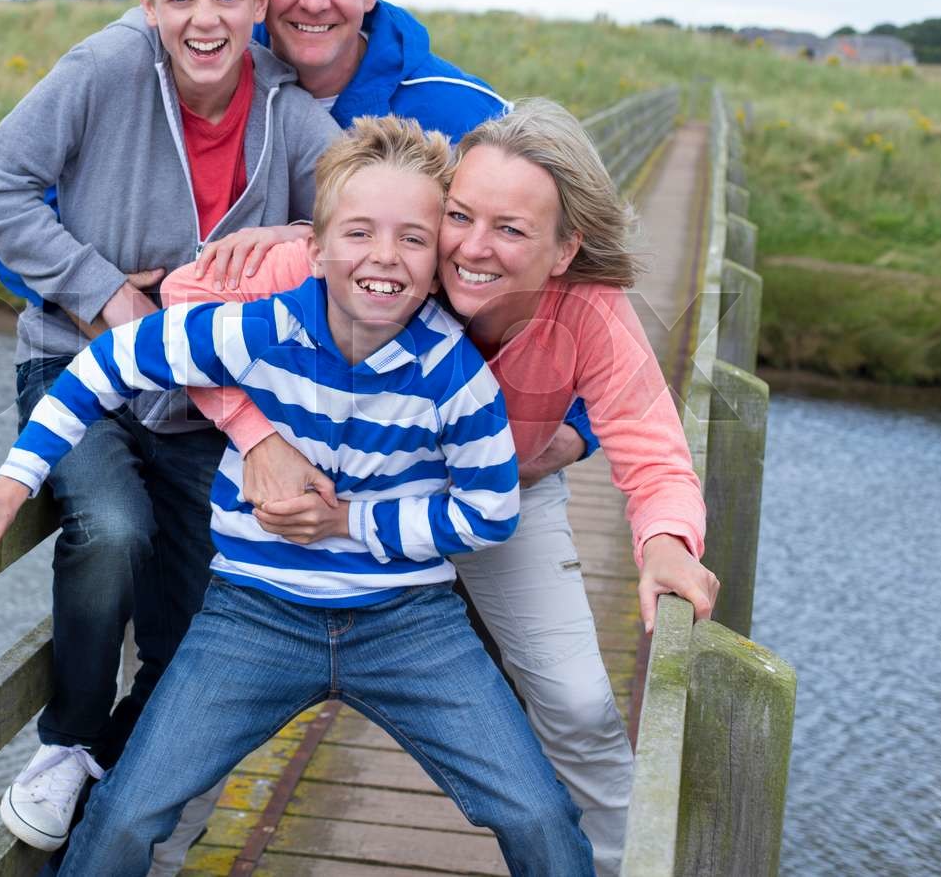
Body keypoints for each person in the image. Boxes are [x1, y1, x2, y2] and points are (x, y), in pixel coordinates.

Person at [0, 116, 593, 876]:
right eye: (357, 233)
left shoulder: (457, 377)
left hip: (410, 622)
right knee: (124, 814)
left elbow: (490, 510)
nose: (384, 257)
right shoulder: (257, 331)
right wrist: (12, 482)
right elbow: (105, 365)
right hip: (255, 613)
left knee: (537, 811)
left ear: (439, 257)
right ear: (313, 248)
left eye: (413, 238)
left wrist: (355, 520)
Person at [173, 98, 720, 876]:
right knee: (209, 717)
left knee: (578, 704)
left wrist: (666, 543)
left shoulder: (592, 314)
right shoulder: (396, 262)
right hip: (339, 504)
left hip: (500, 504)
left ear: (565, 247)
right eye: (459, 215)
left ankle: (619, 864)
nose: (471, 248)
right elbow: (187, 297)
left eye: (512, 229)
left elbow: (653, 446)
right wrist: (256, 434)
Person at [0, 0, 339, 851]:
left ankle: (119, 773)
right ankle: (68, 739)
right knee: (115, 529)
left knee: (202, 621)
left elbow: (366, 222)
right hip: (76, 370)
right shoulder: (102, 71)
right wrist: (106, 296)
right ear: (146, 0)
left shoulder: (292, 120)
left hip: (205, 406)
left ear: (259, 2)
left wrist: (297, 230)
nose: (202, 22)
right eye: (179, 0)